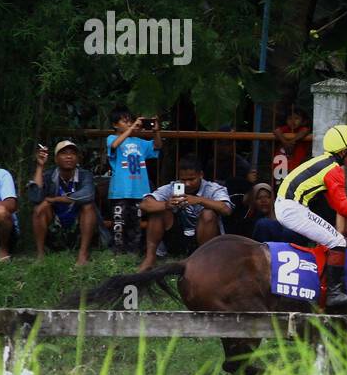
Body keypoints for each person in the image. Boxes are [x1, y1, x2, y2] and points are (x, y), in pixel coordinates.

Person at [275, 125, 347, 308]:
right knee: (338, 241)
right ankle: (334, 293)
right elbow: (342, 207)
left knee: (332, 238)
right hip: (291, 208)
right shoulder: (334, 170)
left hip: (288, 205)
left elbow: (335, 202)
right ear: (343, 151)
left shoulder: (325, 162)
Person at [137, 155, 234, 271]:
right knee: (158, 211)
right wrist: (166, 205)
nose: (187, 184)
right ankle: (150, 258)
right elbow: (145, 204)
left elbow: (226, 209)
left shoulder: (213, 188)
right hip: (177, 237)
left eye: (191, 179)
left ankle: (205, 260)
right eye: (183, 180)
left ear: (201, 175)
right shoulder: (171, 187)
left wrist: (200, 200)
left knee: (208, 214)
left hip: (203, 239)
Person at [27, 140, 98, 264]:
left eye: (72, 154)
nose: (69, 156)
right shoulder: (49, 175)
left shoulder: (84, 175)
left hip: (77, 225)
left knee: (88, 206)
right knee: (39, 208)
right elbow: (35, 197)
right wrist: (40, 166)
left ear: (77, 159)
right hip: (56, 226)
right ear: (56, 159)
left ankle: (83, 254)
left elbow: (88, 194)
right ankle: (40, 254)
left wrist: (53, 199)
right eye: (64, 153)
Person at [106, 107, 162, 255]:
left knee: (135, 224)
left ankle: (133, 253)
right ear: (115, 125)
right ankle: (117, 253)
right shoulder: (112, 138)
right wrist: (130, 129)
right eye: (125, 121)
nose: (129, 123)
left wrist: (155, 131)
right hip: (120, 191)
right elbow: (114, 145)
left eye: (130, 120)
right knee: (119, 222)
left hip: (139, 190)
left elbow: (157, 146)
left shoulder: (140, 142)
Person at [272, 107, 311, 181]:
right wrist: (285, 142)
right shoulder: (286, 129)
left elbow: (305, 130)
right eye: (290, 118)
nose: (293, 121)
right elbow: (276, 131)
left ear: (303, 121)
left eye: (296, 118)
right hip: (280, 168)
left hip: (296, 168)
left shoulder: (302, 129)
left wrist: (292, 141)